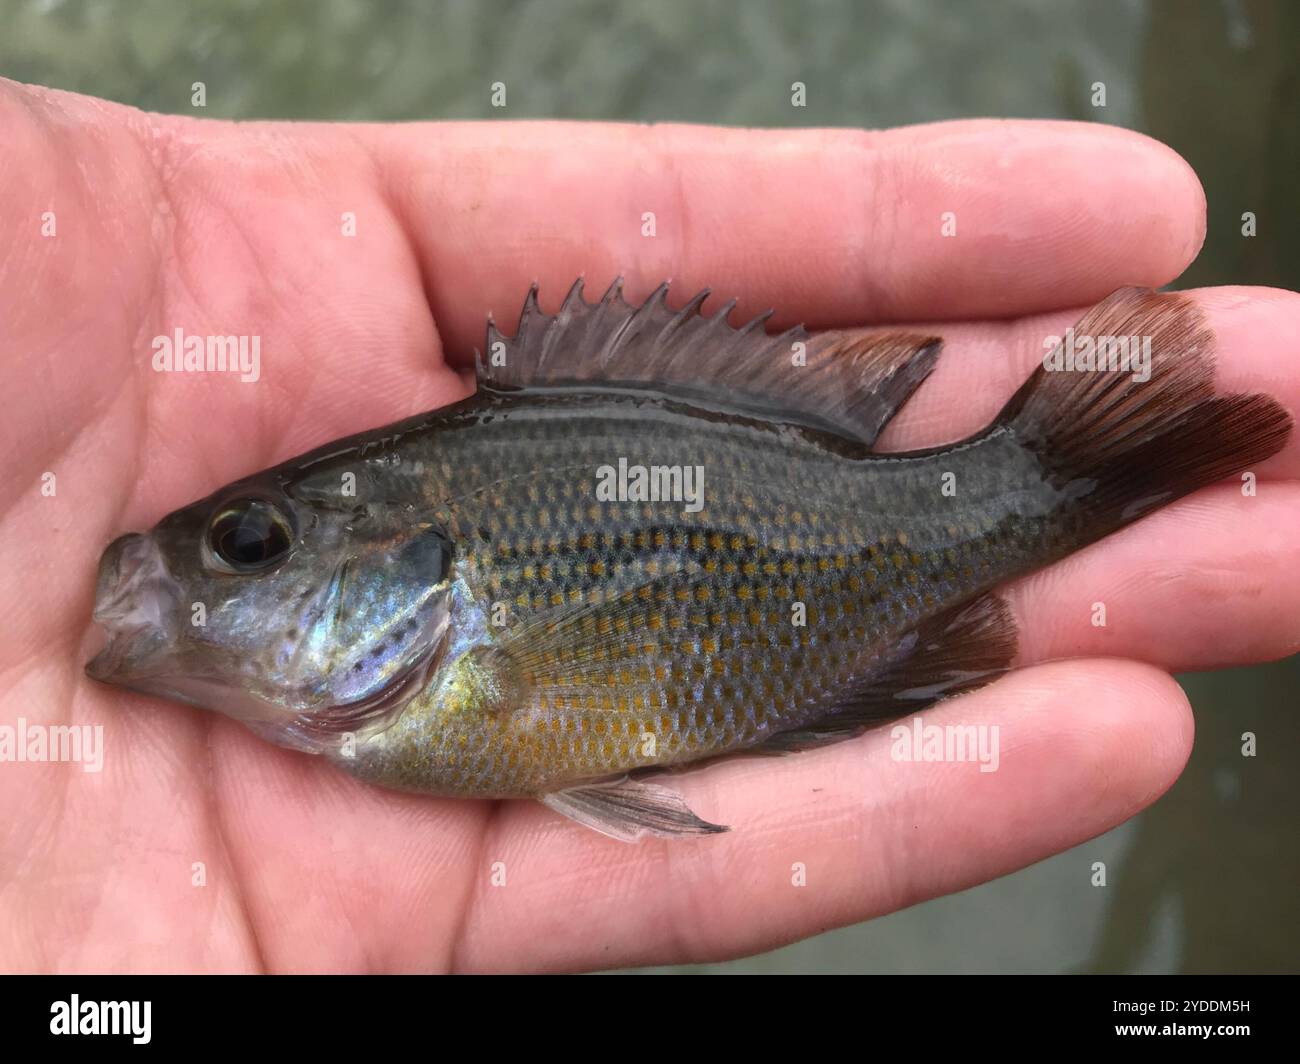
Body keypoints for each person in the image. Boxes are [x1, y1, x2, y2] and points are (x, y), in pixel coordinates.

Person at [2, 79, 1296, 973]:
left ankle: (1062, 473)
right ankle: (1068, 474)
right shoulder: (419, 709)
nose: (183, 571)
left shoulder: (443, 699)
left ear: (417, 558)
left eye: (252, 542)